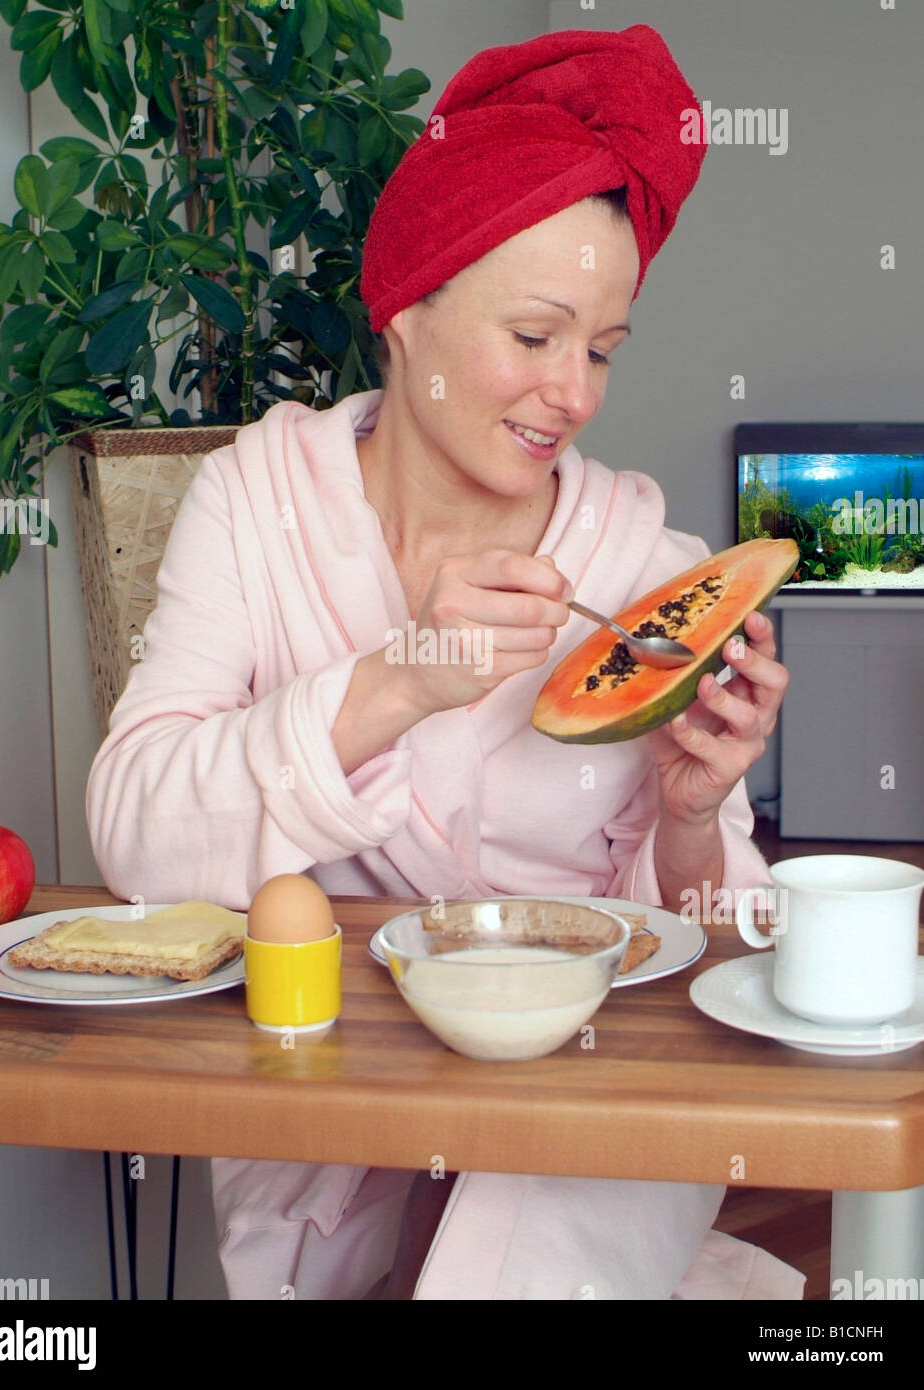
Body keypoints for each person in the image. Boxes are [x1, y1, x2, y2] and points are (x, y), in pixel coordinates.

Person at [86, 25, 805, 1300]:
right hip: (329, 1125)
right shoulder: (254, 504)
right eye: (534, 336)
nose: (574, 393)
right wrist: (398, 680)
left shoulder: (646, 558)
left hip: (598, 1110)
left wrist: (693, 823)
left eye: (601, 348)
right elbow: (133, 836)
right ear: (407, 308)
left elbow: (717, 947)